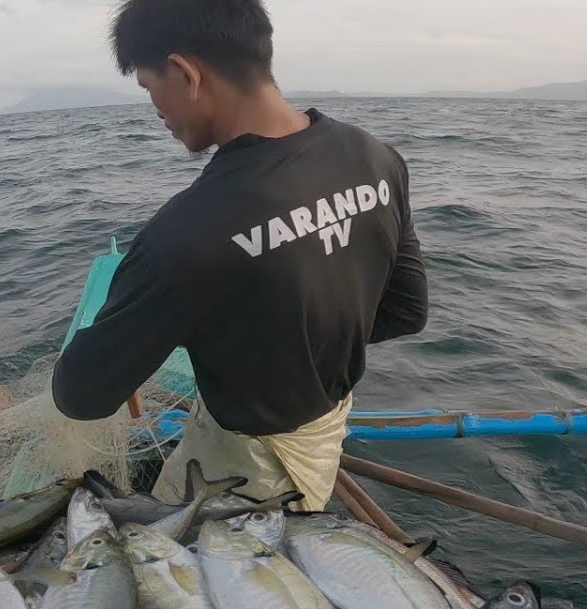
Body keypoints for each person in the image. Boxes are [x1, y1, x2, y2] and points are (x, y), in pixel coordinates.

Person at [51, 0, 429, 510]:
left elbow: (80, 395)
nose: (155, 109)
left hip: (246, 483)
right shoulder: (377, 157)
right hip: (323, 440)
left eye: (149, 87)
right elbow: (407, 311)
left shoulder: (185, 234)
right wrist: (290, 353)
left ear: (185, 73)